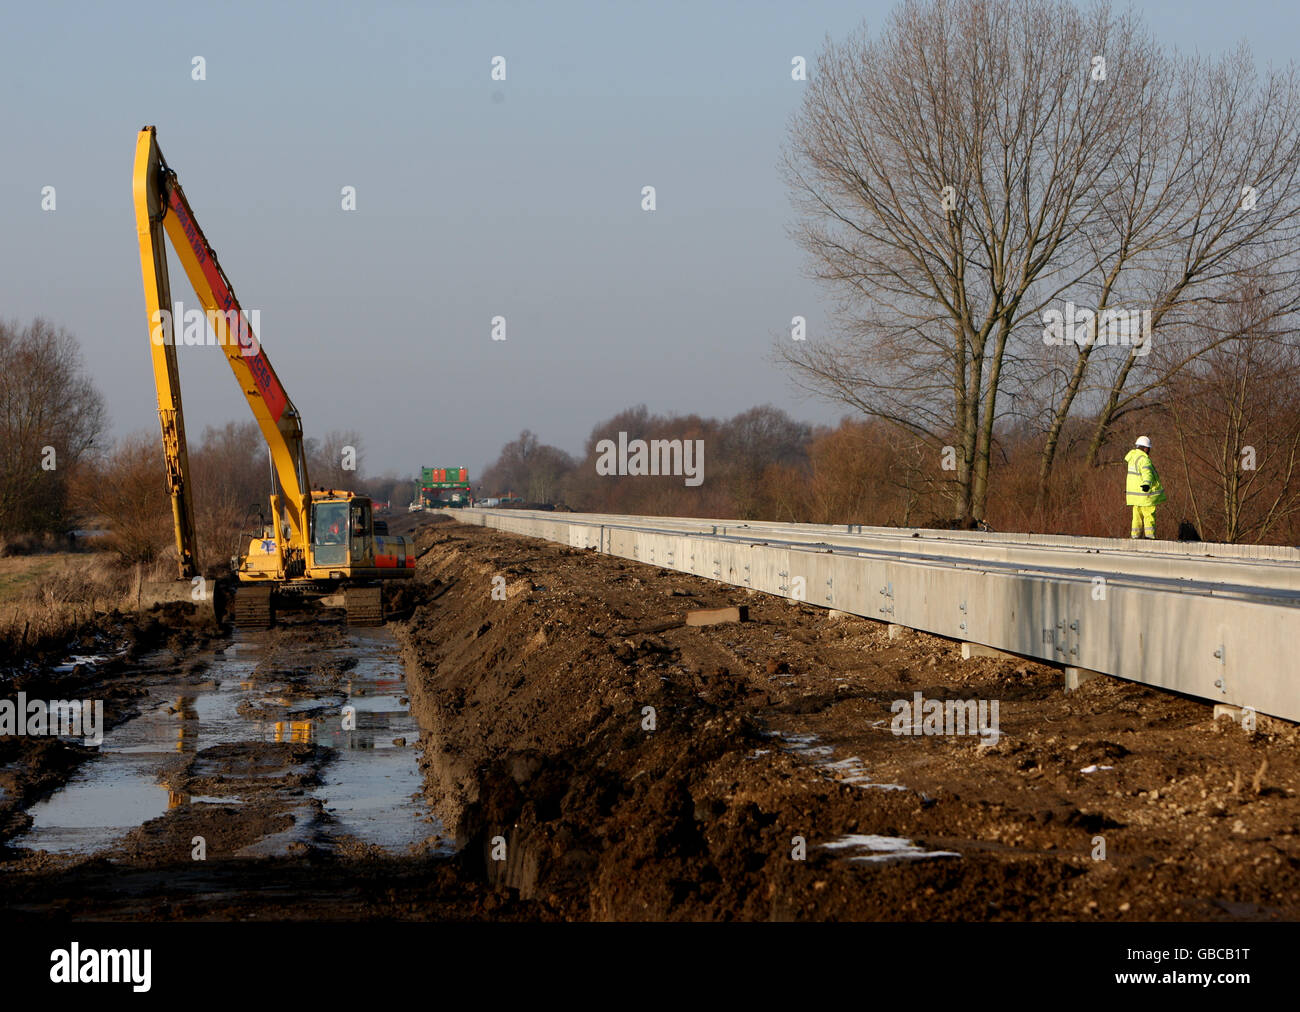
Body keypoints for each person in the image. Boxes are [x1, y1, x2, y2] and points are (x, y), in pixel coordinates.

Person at [1124, 435, 1166, 539]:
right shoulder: (1144, 460)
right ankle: (1149, 537)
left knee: (1136, 517)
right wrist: (1147, 485)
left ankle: (1135, 537)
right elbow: (1147, 474)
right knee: (1149, 516)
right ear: (1146, 448)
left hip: (1134, 496)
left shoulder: (1132, 458)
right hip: (1145, 495)